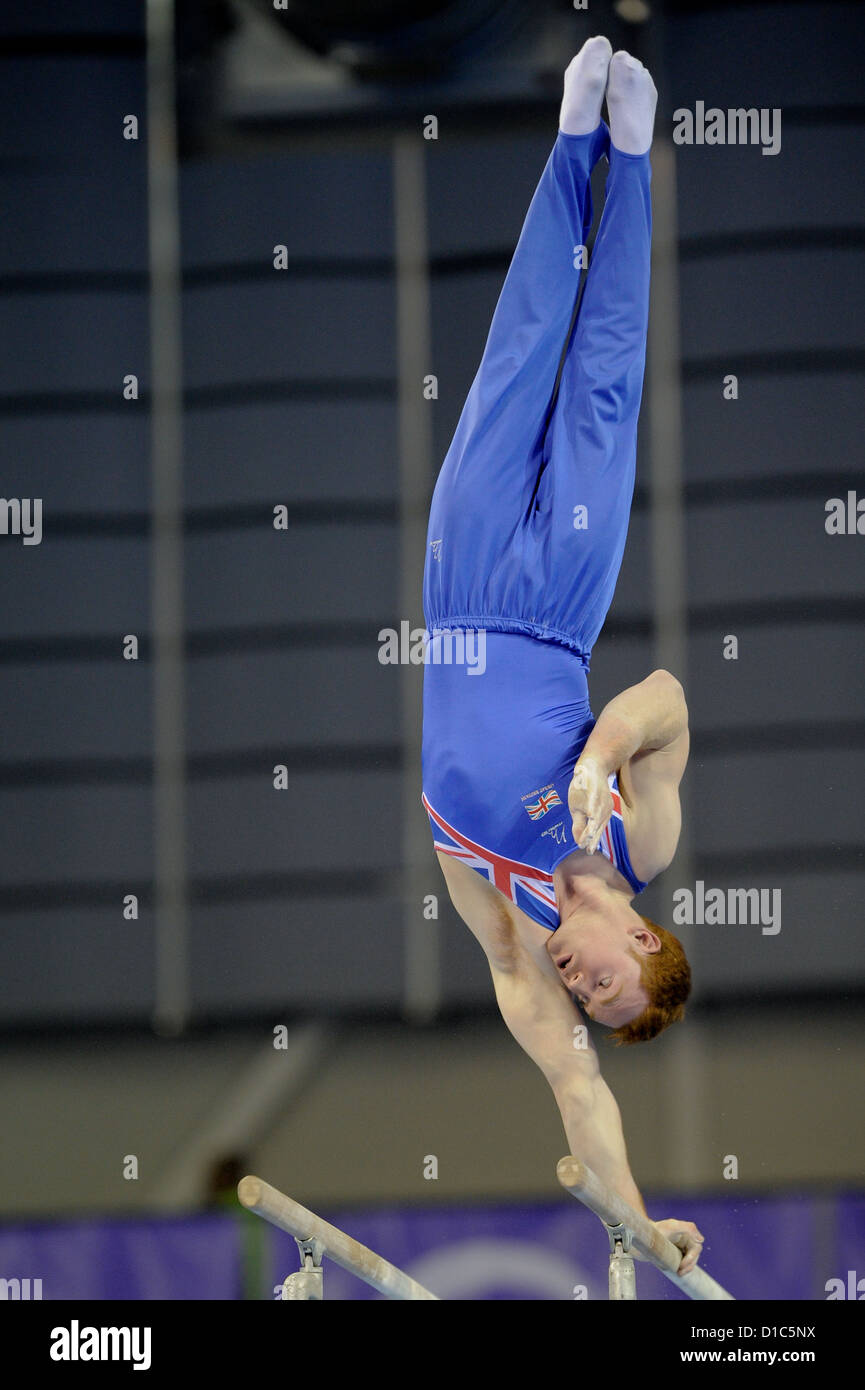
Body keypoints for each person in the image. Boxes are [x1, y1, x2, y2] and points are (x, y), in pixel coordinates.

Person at [421, 36, 703, 1272]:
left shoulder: (514, 944)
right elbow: (668, 697)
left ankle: (574, 139)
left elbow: (582, 1098)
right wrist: (605, 745)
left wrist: (637, 1220)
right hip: (565, 606)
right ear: (643, 942)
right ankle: (626, 153)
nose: (580, 991)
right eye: (606, 986)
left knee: (520, 346)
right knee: (600, 386)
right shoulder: (645, 842)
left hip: (466, 581)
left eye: (589, 1004)